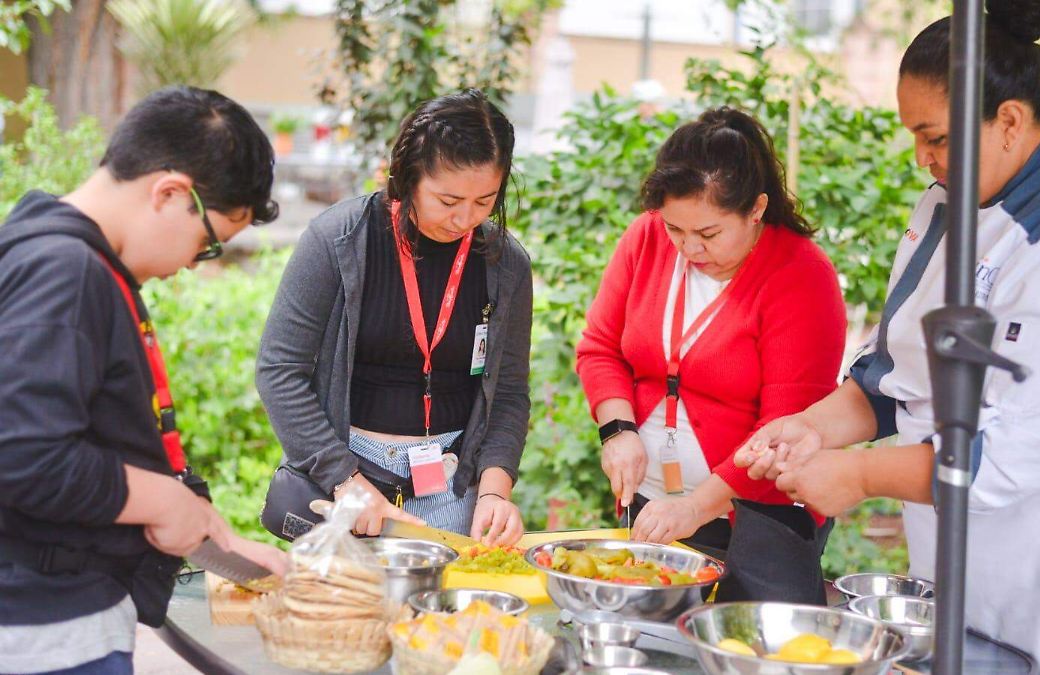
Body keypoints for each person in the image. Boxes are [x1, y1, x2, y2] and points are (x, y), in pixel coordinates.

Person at [735, 1, 1040, 671]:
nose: (923, 158)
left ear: (1009, 120)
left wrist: (860, 473)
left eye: (937, 138)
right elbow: (897, 374)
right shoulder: (953, 198)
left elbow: (1016, 453)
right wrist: (811, 427)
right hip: (975, 552)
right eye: (916, 137)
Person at [0, 86, 289, 675]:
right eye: (208, 245)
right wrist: (159, 498)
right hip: (44, 631)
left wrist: (216, 539)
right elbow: (24, 453)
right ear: (170, 193)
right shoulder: (65, 271)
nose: (190, 264)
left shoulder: (67, 258)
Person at [576, 107, 847, 603]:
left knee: (747, 646)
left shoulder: (801, 275)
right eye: (676, 229)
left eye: (709, 234)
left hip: (760, 518)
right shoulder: (647, 236)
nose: (687, 249)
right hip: (652, 506)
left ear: (757, 208)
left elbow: (783, 434)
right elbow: (600, 349)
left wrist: (697, 506)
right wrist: (618, 431)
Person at [257, 90, 532, 546]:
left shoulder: (507, 265)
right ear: (407, 178)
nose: (464, 218)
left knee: (442, 616)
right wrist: (343, 478)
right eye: (447, 200)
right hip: (346, 473)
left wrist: (495, 492)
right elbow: (279, 371)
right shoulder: (338, 240)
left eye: (485, 201)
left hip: (451, 479)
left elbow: (508, 391)